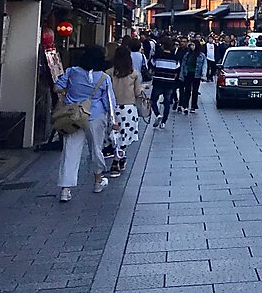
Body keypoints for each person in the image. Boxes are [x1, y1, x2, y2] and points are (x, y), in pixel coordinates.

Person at [54, 45, 116, 202]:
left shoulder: (72, 72)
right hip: (95, 116)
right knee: (96, 149)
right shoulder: (103, 77)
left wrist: (69, 94)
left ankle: (65, 189)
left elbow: (57, 87)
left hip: (73, 116)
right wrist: (113, 121)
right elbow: (110, 101)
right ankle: (97, 181)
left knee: (70, 150)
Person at [105, 45, 145, 177]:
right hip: (128, 109)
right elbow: (138, 92)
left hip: (112, 108)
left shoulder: (109, 73)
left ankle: (120, 159)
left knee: (114, 136)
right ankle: (116, 162)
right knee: (124, 136)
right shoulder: (133, 74)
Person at [150, 37, 181, 128]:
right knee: (167, 103)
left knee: (153, 100)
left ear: (162, 46)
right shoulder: (175, 58)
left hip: (158, 81)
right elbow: (177, 69)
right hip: (169, 83)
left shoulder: (157, 56)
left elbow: (151, 65)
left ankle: (157, 114)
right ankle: (164, 122)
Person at [178, 40, 206, 114]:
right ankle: (185, 105)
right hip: (188, 74)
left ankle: (193, 106)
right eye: (191, 45)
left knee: (195, 91)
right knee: (187, 90)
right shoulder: (187, 54)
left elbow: (204, 66)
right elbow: (183, 65)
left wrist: (203, 75)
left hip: (197, 74)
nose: (192, 47)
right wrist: (181, 75)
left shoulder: (201, 55)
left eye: (193, 45)